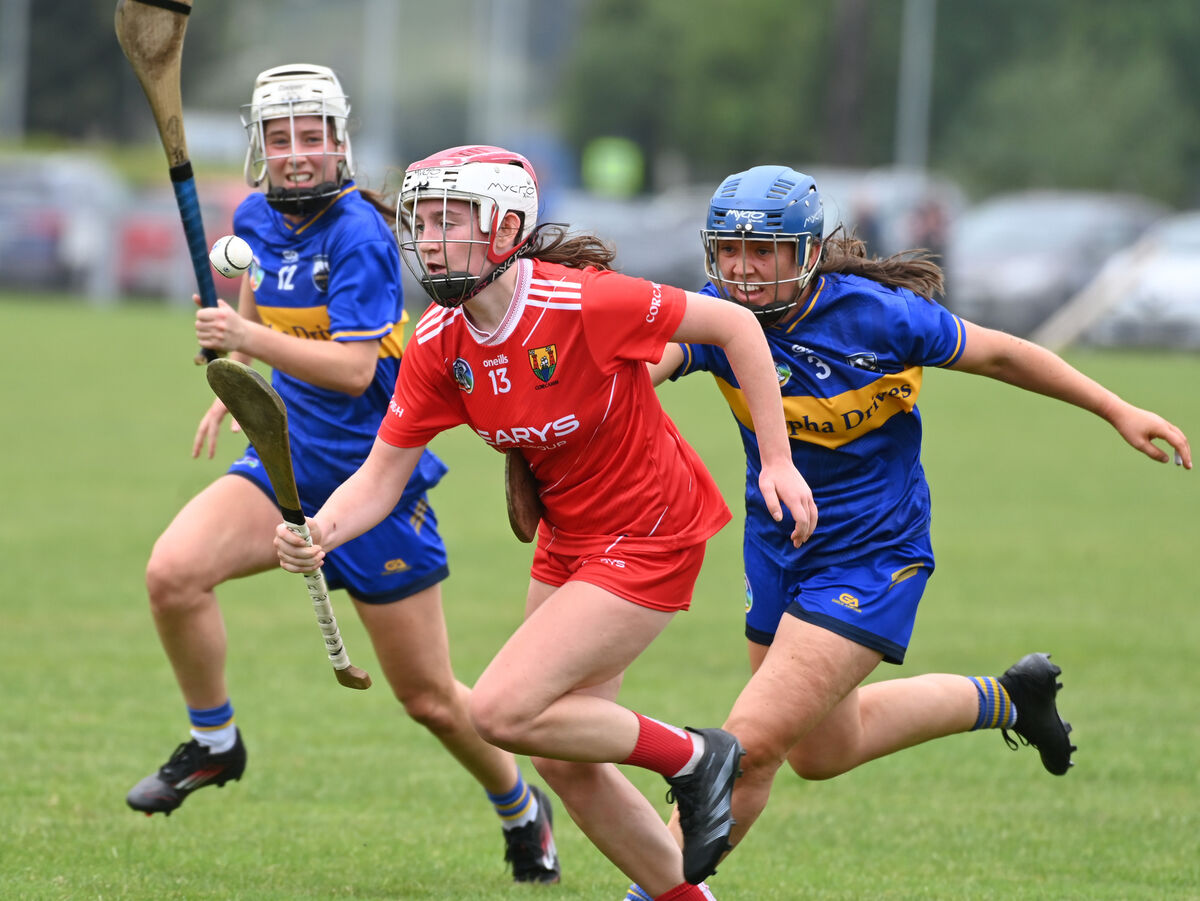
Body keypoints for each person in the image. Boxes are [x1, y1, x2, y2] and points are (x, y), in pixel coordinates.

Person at [274, 144, 818, 900]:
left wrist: (777, 460)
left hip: (652, 529)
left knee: (498, 709)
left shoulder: (583, 302)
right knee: (562, 757)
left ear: (503, 228)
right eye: (420, 222)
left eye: (448, 221)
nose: (429, 239)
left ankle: (696, 756)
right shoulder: (439, 341)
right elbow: (380, 474)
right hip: (570, 541)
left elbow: (736, 326)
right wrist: (320, 531)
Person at [630, 164, 1192, 891]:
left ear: (804, 251)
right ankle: (1012, 699)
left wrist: (1118, 408)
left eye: (762, 250)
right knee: (822, 750)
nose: (742, 268)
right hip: (777, 550)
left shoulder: (879, 316)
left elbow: (1000, 352)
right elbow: (649, 364)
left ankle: (652, 891)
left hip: (873, 555)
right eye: (729, 250)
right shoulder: (717, 317)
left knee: (748, 748)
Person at [125, 67, 562, 885]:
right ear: (262, 147)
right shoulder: (255, 214)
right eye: (283, 137)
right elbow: (258, 286)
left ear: (341, 141)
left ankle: (519, 803)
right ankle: (216, 741)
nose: (298, 154)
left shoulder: (360, 234)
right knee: (173, 573)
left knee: (430, 699)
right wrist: (236, 378)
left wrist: (245, 341)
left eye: (313, 135)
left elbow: (357, 371)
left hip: (375, 487)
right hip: (284, 463)